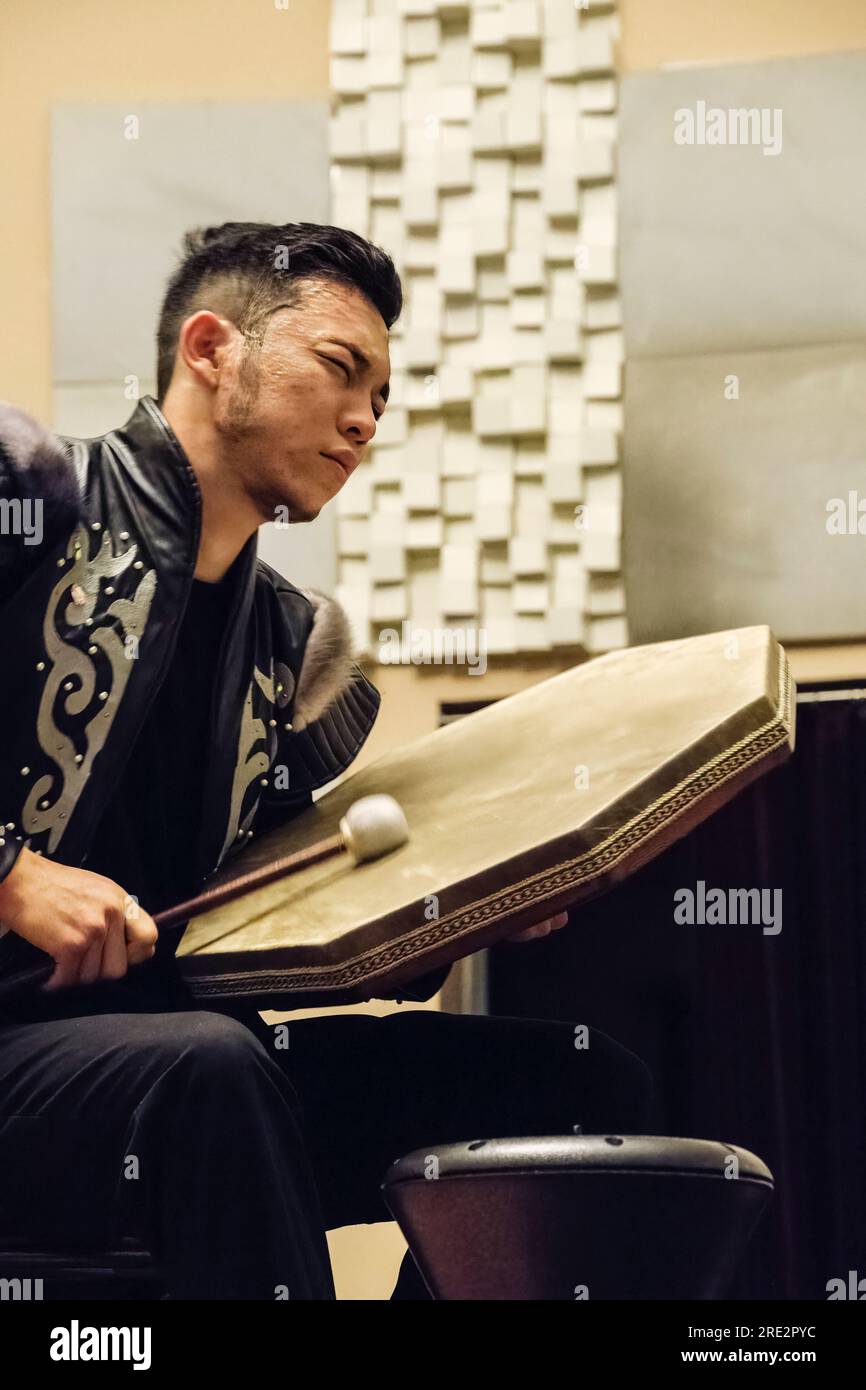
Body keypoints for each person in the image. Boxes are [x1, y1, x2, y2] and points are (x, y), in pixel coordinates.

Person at [0, 222, 652, 1299]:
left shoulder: (303, 653)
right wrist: (13, 871)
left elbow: (267, 921)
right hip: (78, 1070)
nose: (362, 421)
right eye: (340, 370)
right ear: (211, 350)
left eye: (381, 400)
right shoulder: (29, 491)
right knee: (211, 1067)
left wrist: (442, 914)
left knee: (582, 1085)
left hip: (195, 1061)